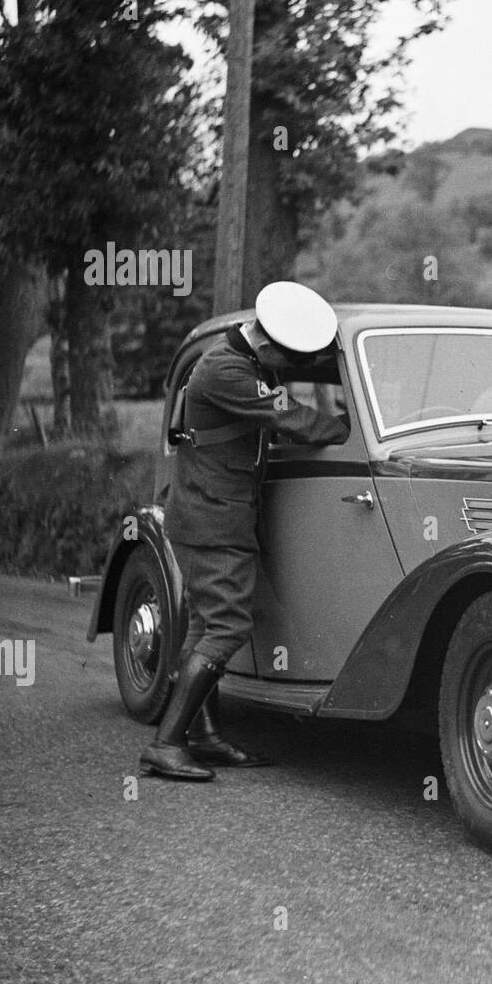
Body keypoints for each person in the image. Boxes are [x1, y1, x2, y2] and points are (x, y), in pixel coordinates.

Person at [140, 281, 350, 781]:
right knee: (228, 626)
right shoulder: (224, 369)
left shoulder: (242, 362)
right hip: (214, 519)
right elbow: (288, 416)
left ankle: (205, 737)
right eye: (291, 358)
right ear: (270, 345)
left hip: (211, 514)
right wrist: (345, 431)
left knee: (203, 627)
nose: (291, 367)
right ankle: (166, 744)